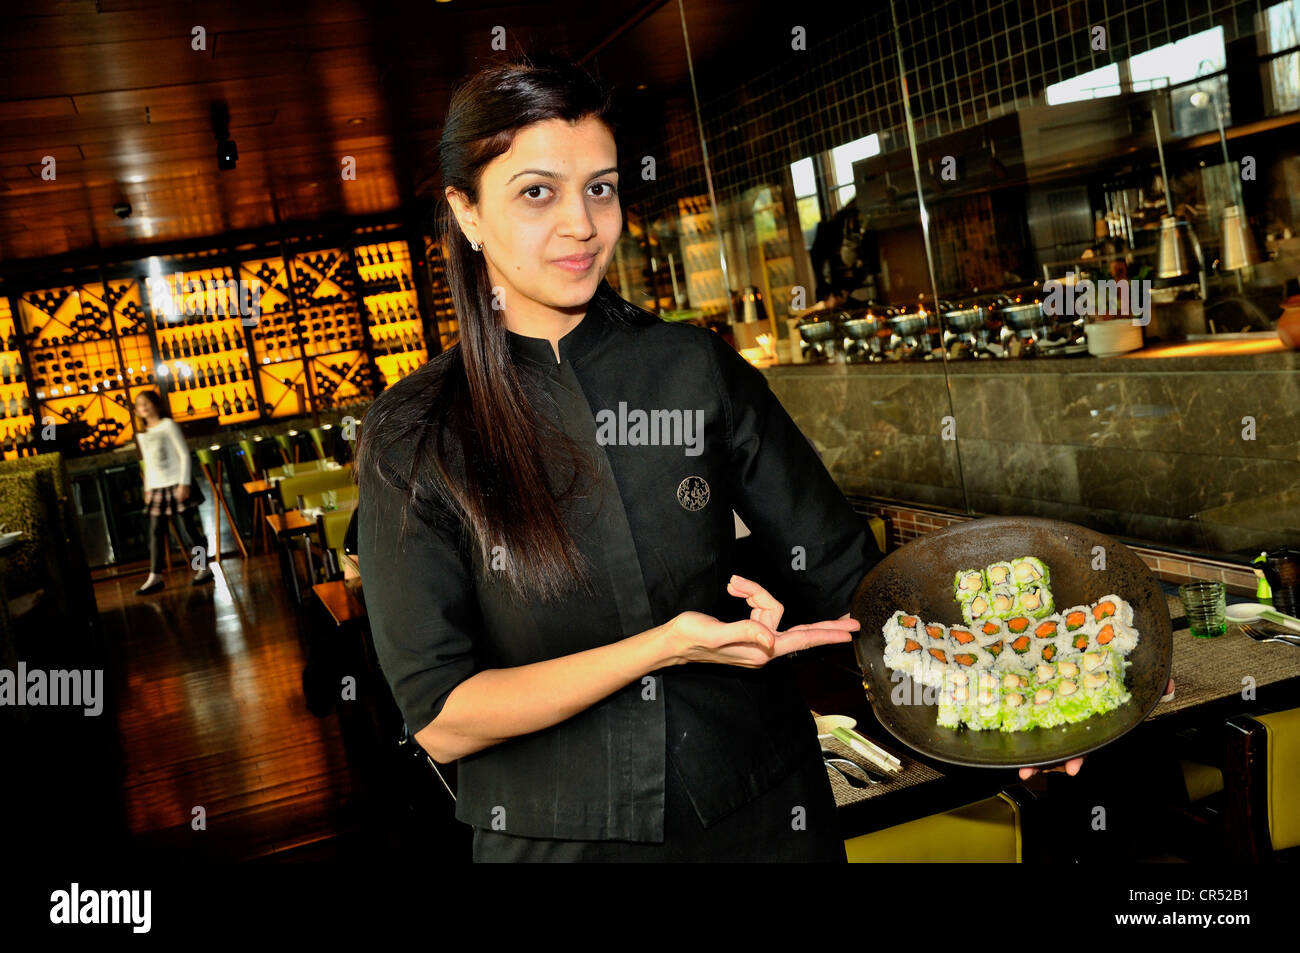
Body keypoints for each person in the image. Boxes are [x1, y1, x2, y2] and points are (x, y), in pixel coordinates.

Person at [133, 390, 213, 594]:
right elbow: (148, 463)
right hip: (157, 487)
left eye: (147, 402)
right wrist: (148, 488)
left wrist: (184, 483)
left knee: (189, 528)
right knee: (155, 531)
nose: (144, 406)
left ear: (157, 405)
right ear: (137, 411)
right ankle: (155, 576)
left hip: (177, 483)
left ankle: (203, 568)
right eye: (140, 404)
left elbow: (184, 454)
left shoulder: (168, 425)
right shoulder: (142, 434)